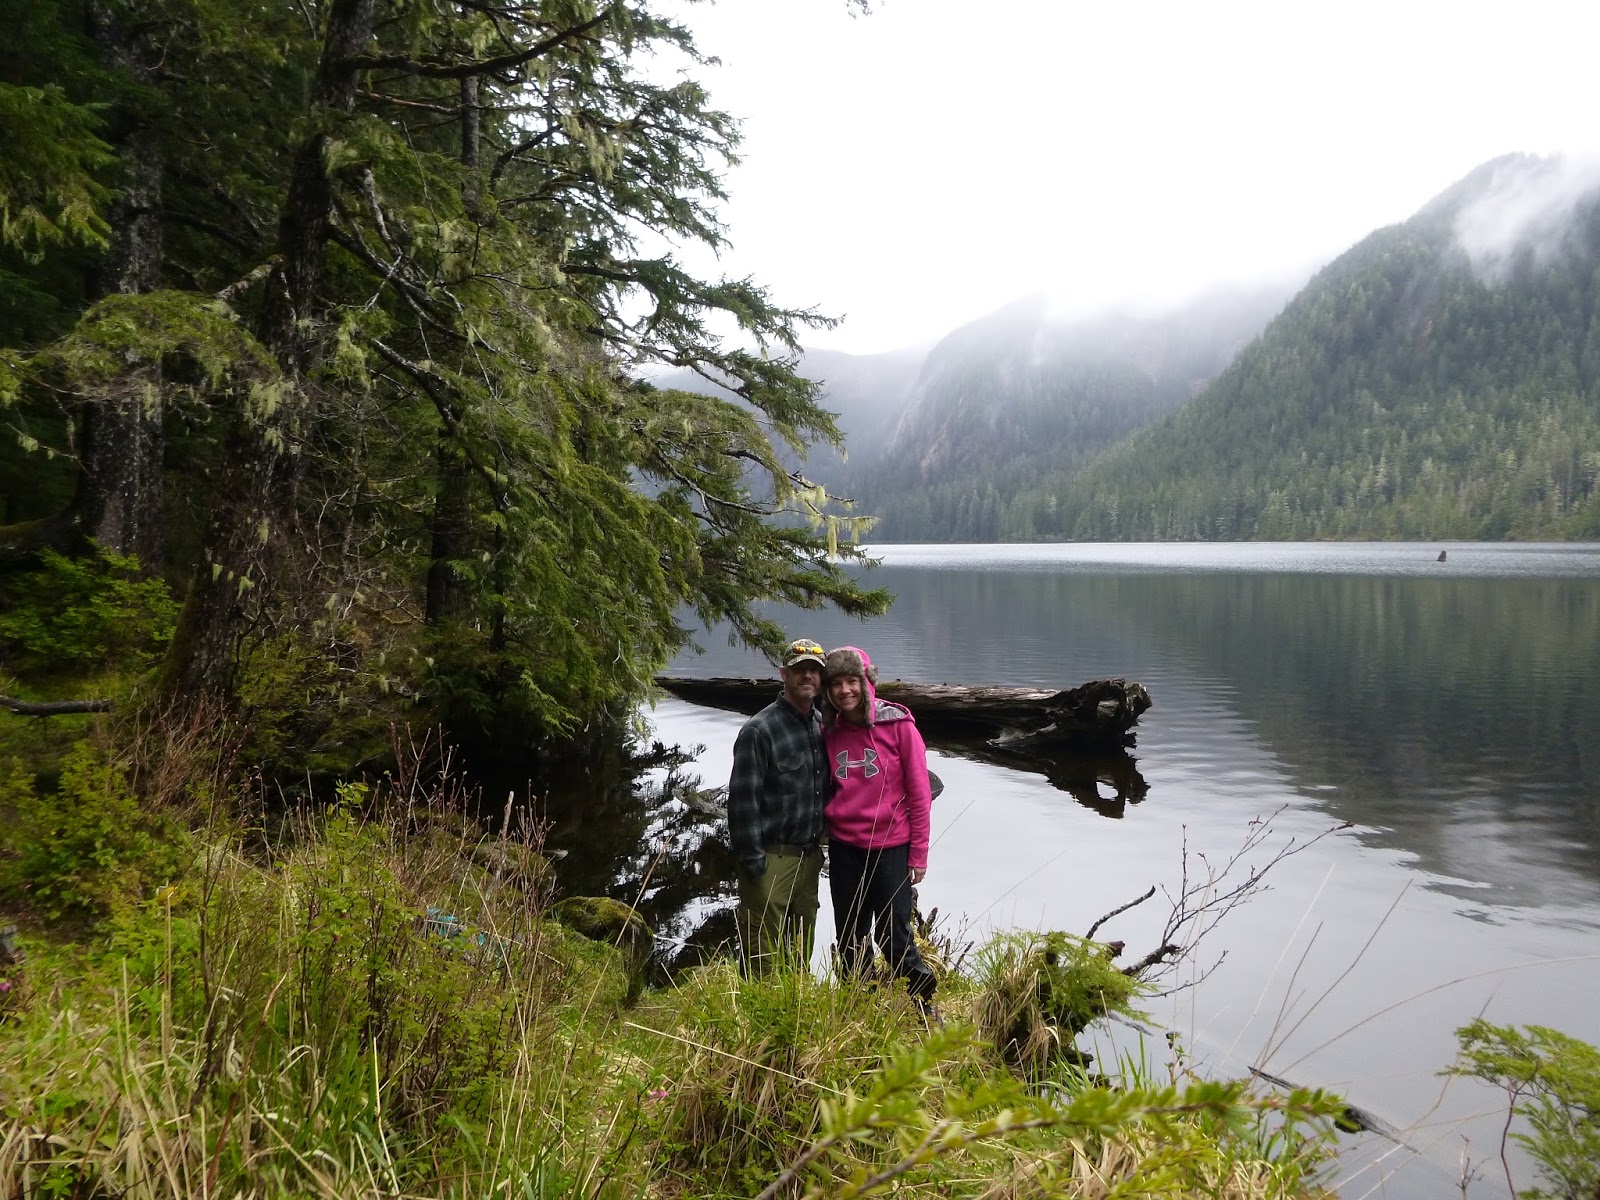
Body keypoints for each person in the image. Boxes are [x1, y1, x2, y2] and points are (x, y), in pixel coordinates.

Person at [820, 645, 939, 1014]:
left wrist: (919, 854)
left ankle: (922, 1000)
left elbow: (920, 793)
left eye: (852, 681)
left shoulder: (898, 725)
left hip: (891, 846)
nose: (845, 691)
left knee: (894, 934)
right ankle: (858, 1003)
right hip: (844, 847)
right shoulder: (829, 730)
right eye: (836, 683)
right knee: (850, 934)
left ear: (866, 681)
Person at [726, 637, 830, 976]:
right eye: (800, 670)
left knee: (800, 953)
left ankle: (796, 1005)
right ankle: (755, 1009)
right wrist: (753, 862)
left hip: (809, 860)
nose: (807, 676)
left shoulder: (821, 727)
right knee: (763, 959)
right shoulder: (759, 731)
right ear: (784, 674)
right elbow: (742, 802)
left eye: (814, 670)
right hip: (771, 858)